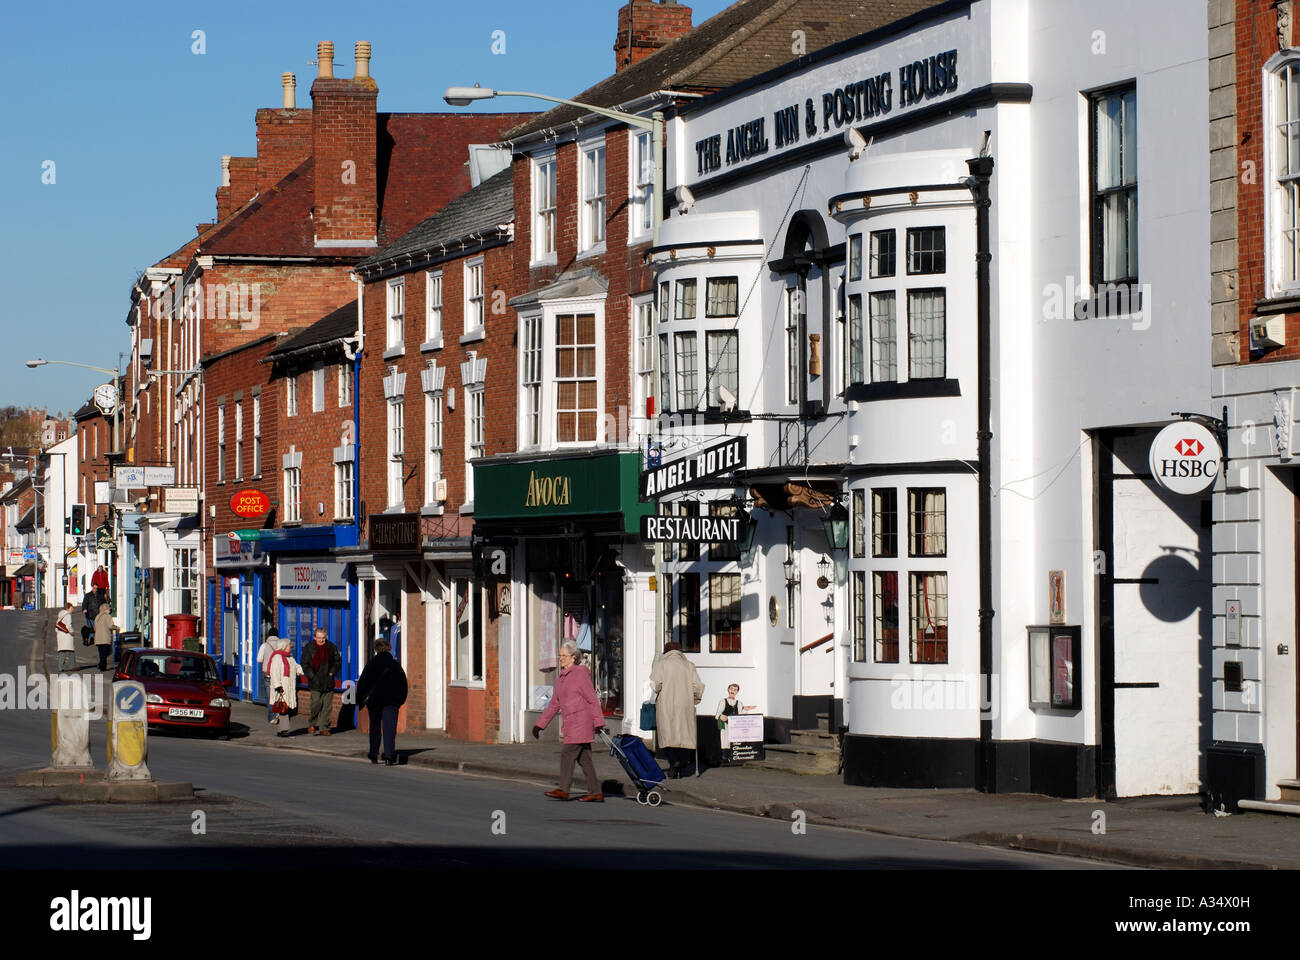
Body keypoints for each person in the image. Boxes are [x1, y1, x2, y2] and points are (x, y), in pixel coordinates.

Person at [532, 640, 606, 802]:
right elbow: (554, 704)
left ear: (574, 657)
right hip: (571, 724)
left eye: (564, 655)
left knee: (567, 755)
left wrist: (599, 721)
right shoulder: (561, 679)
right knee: (584, 759)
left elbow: (592, 699)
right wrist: (540, 724)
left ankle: (563, 789)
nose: (560, 658)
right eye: (559, 655)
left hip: (581, 723)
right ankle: (595, 792)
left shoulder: (580, 675)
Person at [650, 640, 704, 778]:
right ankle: (681, 763)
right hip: (685, 704)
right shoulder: (689, 665)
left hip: (666, 704)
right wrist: (695, 699)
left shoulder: (660, 664)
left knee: (667, 735)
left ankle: (674, 763)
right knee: (684, 735)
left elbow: (656, 685)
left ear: (666, 652)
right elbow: (698, 686)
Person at [356, 637, 407, 765]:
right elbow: (403, 684)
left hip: (375, 701)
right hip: (391, 701)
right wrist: (400, 700)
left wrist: (359, 700)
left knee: (375, 726)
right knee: (389, 728)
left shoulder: (371, 664)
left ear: (376, 649)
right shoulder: (396, 665)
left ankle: (374, 753)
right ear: (389, 648)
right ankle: (389, 756)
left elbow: (363, 683)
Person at [301, 626, 341, 736]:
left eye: (323, 638)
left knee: (327, 706)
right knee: (316, 703)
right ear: (314, 637)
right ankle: (312, 723)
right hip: (315, 681)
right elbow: (304, 664)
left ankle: (324, 727)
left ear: (326, 637)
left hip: (328, 679)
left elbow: (337, 662)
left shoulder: (331, 647)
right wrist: (312, 676)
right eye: (319, 638)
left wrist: (332, 672)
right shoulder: (309, 648)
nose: (321, 640)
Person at [265, 636, 303, 737]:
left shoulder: (289, 658)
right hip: (281, 688)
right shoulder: (277, 657)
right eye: (289, 645)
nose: (290, 646)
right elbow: (275, 672)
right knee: (283, 709)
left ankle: (280, 729)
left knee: (283, 708)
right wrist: (277, 685)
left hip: (288, 687)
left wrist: (300, 670)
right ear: (284, 646)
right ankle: (284, 730)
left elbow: (296, 666)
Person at [715, 683, 754, 751]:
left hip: (736, 727)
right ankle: (725, 757)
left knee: (735, 743)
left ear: (737, 692)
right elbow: (717, 715)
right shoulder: (723, 701)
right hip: (726, 726)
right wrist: (721, 716)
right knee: (725, 742)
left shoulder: (739, 703)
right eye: (731, 689)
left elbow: (740, 716)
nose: (733, 691)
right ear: (728, 690)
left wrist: (745, 710)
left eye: (735, 690)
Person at [256, 629, 280, 724]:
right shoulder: (281, 645)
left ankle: (272, 716)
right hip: (279, 673)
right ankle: (280, 712)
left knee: (269, 695)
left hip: (268, 673)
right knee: (278, 694)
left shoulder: (264, 645)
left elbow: (259, 659)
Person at [93, 601, 115, 672]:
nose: (109, 610)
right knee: (105, 653)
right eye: (108, 609)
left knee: (101, 653)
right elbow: (110, 626)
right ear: (105, 609)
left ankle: (102, 665)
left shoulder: (97, 616)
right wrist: (117, 628)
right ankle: (102, 666)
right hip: (105, 637)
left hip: (98, 638)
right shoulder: (108, 617)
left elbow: (94, 627)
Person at [54, 601, 75, 673]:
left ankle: (60, 667)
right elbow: (69, 626)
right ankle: (72, 666)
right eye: (72, 608)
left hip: (60, 636)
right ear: (68, 608)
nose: (73, 609)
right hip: (67, 636)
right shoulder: (68, 615)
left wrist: (59, 633)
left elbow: (56, 627)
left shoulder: (60, 616)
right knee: (71, 652)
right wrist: (72, 632)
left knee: (61, 652)